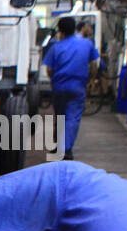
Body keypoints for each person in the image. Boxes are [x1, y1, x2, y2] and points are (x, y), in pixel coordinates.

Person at [40, 16, 99, 159]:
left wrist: (54, 79)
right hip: (78, 87)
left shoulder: (56, 47)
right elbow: (94, 64)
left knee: (61, 117)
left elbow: (48, 69)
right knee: (72, 118)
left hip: (59, 87)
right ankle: (65, 149)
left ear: (60, 31)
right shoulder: (86, 44)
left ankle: (59, 146)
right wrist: (91, 80)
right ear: (74, 28)